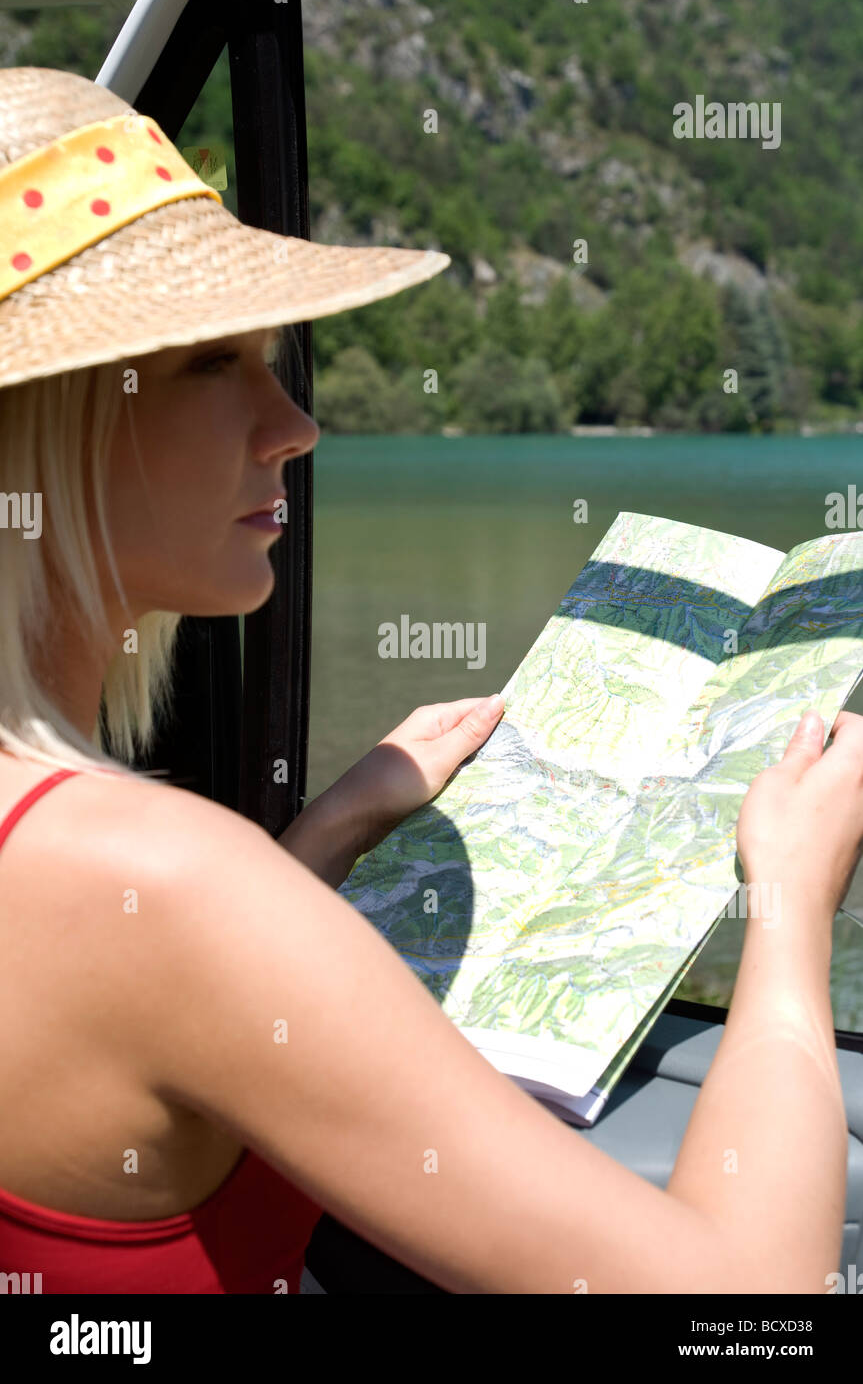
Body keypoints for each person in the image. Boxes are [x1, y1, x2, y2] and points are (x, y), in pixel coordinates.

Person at [0, 65, 858, 1296]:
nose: (291, 423)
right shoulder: (168, 881)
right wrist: (787, 901)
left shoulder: (117, 878)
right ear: (47, 425)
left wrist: (330, 831)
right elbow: (739, 1306)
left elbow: (131, 1009)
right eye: (210, 366)